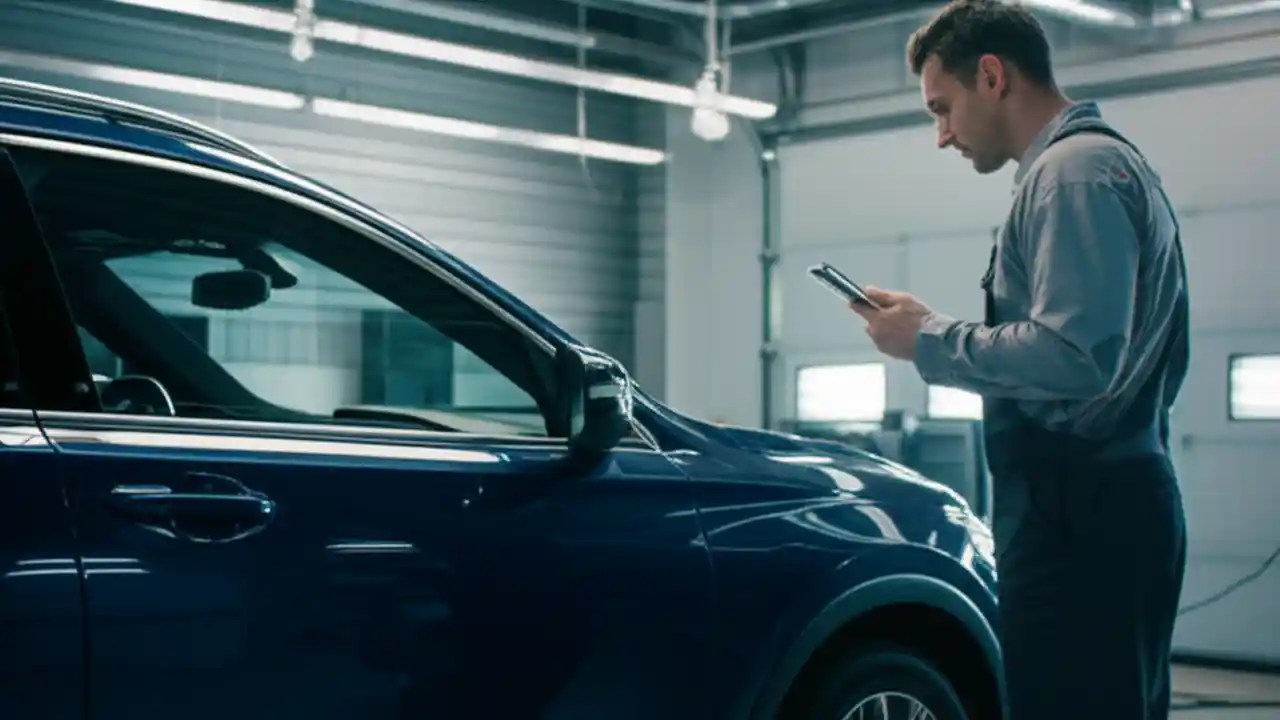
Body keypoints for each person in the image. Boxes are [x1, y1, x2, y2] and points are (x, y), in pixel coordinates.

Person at [849, 2, 1190, 719]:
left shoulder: (1075, 173)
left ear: (993, 76)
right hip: (1099, 502)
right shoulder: (1085, 168)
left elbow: (1075, 356)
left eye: (942, 108)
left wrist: (931, 339)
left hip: (1083, 516)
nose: (940, 134)